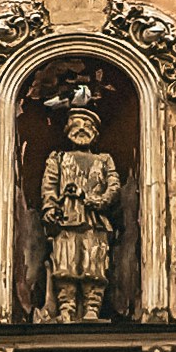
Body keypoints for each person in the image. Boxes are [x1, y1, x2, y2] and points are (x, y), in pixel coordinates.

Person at [37, 103, 121, 324]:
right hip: (66, 219)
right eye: (76, 124)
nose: (82, 129)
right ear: (68, 129)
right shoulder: (58, 158)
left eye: (87, 125)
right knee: (65, 264)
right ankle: (67, 309)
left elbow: (113, 189)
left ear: (95, 132)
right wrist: (50, 208)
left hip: (95, 221)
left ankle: (92, 309)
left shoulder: (104, 160)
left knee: (94, 264)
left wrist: (91, 199)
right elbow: (49, 185)